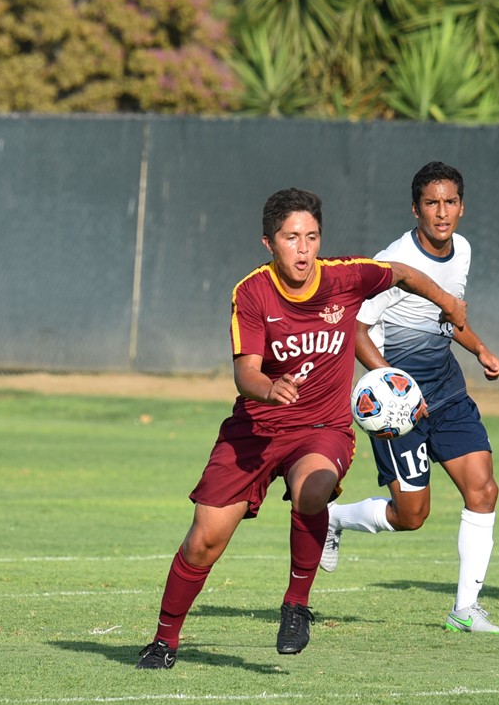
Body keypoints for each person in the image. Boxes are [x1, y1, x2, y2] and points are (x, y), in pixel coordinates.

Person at [137, 187, 467, 668]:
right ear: (269, 243)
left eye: (312, 237)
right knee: (204, 540)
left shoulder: (345, 277)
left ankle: (296, 605)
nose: (304, 249)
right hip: (255, 430)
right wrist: (268, 389)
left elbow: (401, 273)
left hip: (321, 427)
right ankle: (164, 641)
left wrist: (448, 303)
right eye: (292, 238)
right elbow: (245, 373)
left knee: (314, 489)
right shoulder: (252, 292)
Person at [320, 162, 499, 633]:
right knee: (412, 515)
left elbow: (447, 317)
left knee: (483, 490)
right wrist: (394, 387)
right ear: (415, 209)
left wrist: (480, 348)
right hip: (399, 409)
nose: (441, 213)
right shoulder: (394, 262)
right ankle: (333, 518)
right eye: (431, 203)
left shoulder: (463, 251)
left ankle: (465, 610)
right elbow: (356, 330)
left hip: (447, 392)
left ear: (462, 207)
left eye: (450, 202)